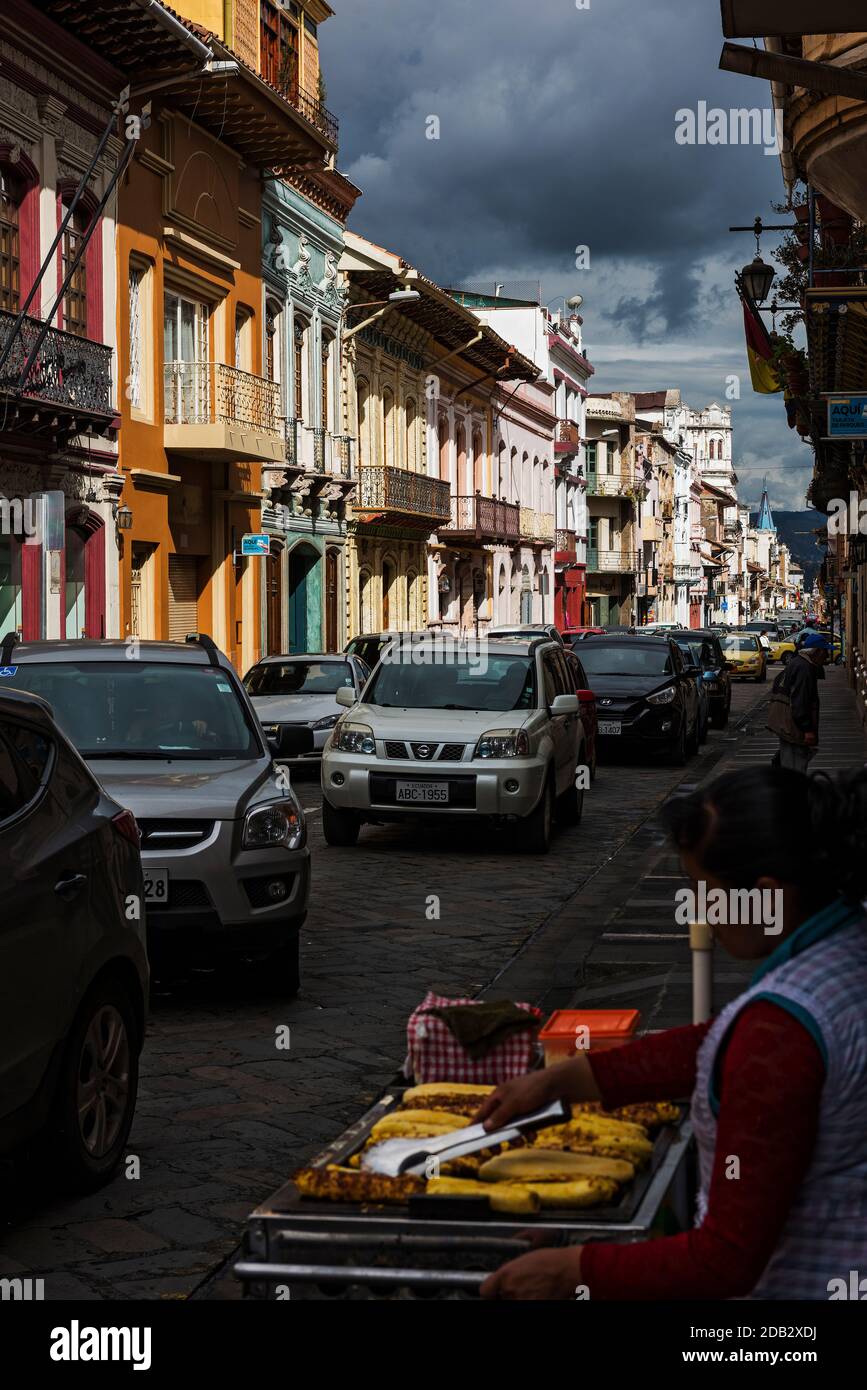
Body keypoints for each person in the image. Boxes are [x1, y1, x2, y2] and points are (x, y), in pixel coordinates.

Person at [477, 765, 867, 1300]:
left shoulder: (782, 1029)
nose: (702, 912)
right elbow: (718, 1044)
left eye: (706, 892)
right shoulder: (846, 942)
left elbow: (724, 1261)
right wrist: (561, 1080)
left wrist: (573, 1270)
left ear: (768, 896)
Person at [771, 632, 830, 774]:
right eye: (825, 651)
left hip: (786, 724)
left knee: (790, 765)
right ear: (817, 652)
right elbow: (800, 701)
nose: (827, 656)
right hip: (793, 727)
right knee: (795, 770)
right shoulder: (804, 668)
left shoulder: (797, 662)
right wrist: (807, 729)